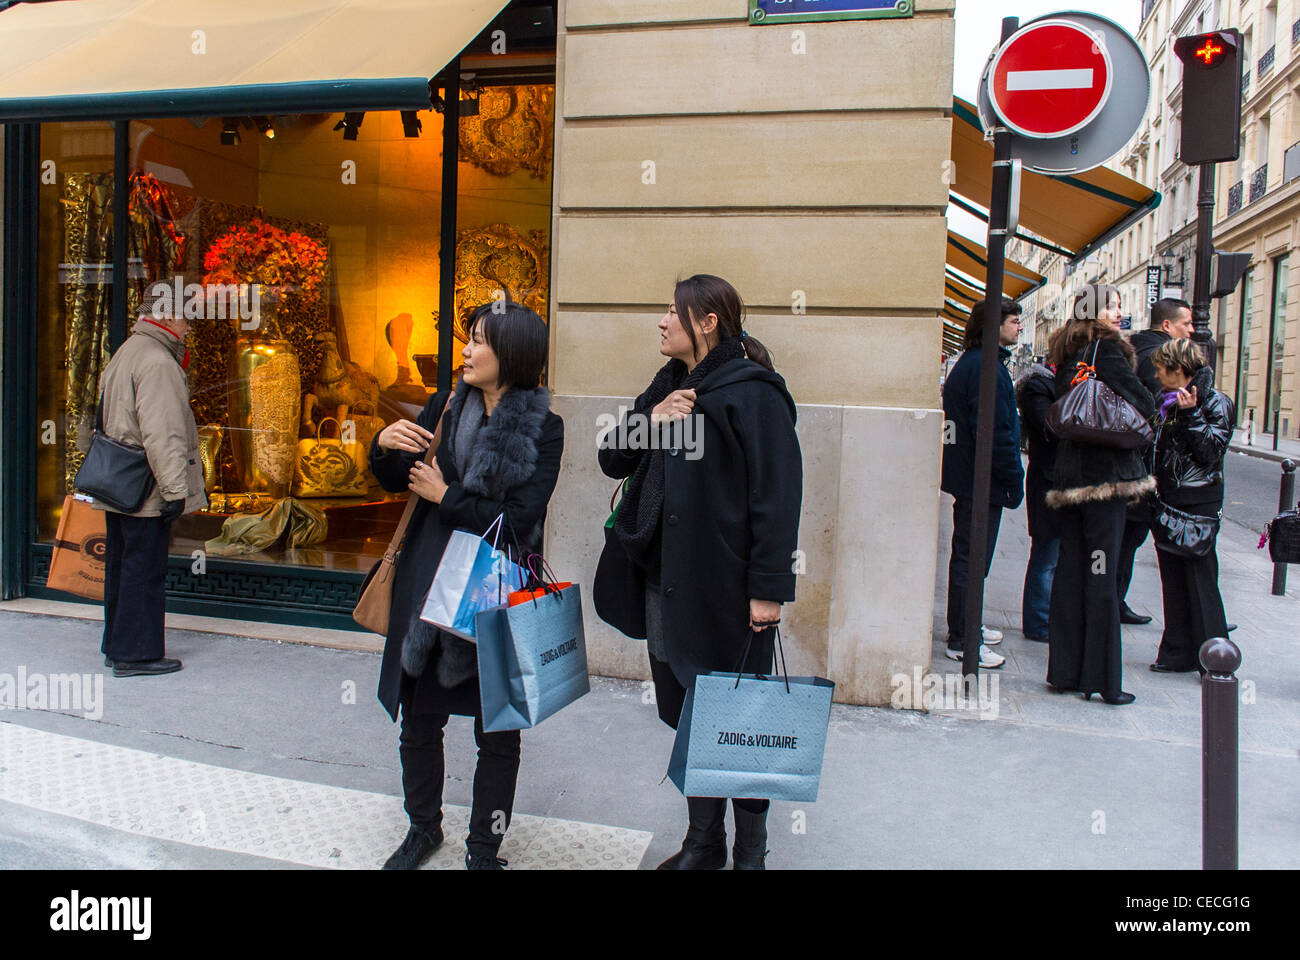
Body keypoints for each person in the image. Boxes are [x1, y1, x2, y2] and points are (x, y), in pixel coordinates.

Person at [595, 274, 802, 870]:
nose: (661, 321)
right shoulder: (669, 387)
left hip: (728, 593)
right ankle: (704, 842)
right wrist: (651, 421)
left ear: (706, 321)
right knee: (689, 711)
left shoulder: (754, 394)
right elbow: (612, 459)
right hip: (666, 582)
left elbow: (779, 497)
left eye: (671, 311)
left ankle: (751, 854)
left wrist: (769, 591)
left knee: (740, 720)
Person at [369, 302, 563, 870]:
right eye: (468, 339)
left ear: (514, 355)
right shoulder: (447, 405)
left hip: (495, 595)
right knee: (419, 719)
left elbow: (522, 516)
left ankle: (484, 850)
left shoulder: (545, 430)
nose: (466, 351)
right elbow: (395, 478)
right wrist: (383, 443)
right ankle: (422, 829)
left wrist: (446, 497)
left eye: (479, 342)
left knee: (496, 731)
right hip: (429, 586)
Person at [1044, 284, 1156, 705]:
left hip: (1070, 479)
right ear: (1095, 311)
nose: (1119, 312)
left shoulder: (1067, 350)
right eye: (1113, 305)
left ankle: (1066, 671)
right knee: (1102, 573)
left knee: (1073, 571)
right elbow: (1142, 402)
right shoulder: (1107, 351)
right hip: (1105, 479)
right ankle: (1104, 680)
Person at [95, 288, 207, 678]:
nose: (189, 326)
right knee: (144, 570)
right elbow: (164, 434)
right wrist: (176, 490)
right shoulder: (159, 362)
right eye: (185, 317)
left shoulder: (128, 351)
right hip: (146, 489)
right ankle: (136, 654)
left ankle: (117, 645)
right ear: (167, 318)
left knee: (122, 566)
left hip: (120, 484)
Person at [939, 297, 1026, 669]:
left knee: (972, 558)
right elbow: (995, 431)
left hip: (972, 478)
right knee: (973, 560)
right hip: (979, 479)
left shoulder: (976, 363)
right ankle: (962, 638)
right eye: (1014, 320)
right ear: (995, 326)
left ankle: (966, 625)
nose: (1019, 326)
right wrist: (1013, 477)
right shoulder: (985, 367)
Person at [1148, 338, 1233, 673]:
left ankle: (1215, 655)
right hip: (1167, 497)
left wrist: (1192, 414)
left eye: (1160, 368)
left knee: (1200, 579)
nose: (1155, 375)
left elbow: (1211, 453)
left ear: (1179, 369)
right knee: (1172, 579)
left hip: (1198, 501)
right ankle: (1177, 652)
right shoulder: (1163, 400)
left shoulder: (1215, 402)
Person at [1116, 298, 1192, 625]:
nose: (1191, 329)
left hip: (1129, 460)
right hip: (1143, 464)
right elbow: (1157, 410)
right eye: (1186, 323)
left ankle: (1113, 601)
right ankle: (1112, 602)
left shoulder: (1135, 349)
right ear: (1167, 326)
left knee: (1126, 537)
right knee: (1129, 536)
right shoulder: (1159, 358)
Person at [1016, 357, 1058, 642]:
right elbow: (1050, 429)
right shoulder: (1038, 387)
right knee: (1046, 554)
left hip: (1052, 479)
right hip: (1047, 480)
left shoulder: (1051, 386)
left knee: (1051, 554)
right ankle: (1038, 622)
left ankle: (1045, 618)